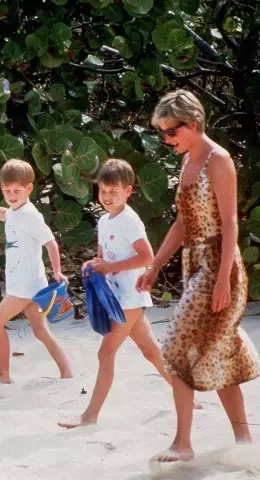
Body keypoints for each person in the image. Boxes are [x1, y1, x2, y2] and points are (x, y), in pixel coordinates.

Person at [137, 89, 260, 462]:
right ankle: (244, 444)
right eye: (162, 133)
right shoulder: (188, 160)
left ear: (192, 124)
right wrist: (155, 265)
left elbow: (229, 223)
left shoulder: (218, 160)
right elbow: (182, 222)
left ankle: (183, 443)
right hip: (195, 265)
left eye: (170, 131)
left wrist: (223, 278)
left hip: (218, 265)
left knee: (174, 351)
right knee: (221, 353)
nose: (166, 139)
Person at [58, 158, 199, 429]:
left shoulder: (130, 220)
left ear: (128, 192)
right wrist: (93, 264)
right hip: (116, 296)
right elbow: (103, 256)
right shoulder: (104, 220)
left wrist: (111, 266)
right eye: (103, 191)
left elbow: (147, 256)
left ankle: (90, 416)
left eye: (114, 192)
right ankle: (187, 396)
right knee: (151, 351)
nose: (107, 197)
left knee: (105, 353)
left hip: (130, 296)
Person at [0, 159, 73, 384]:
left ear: (29, 189)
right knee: (40, 330)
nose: (11, 195)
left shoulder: (31, 216)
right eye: (7, 190)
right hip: (28, 283)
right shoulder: (17, 211)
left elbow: (51, 243)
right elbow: (7, 215)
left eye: (17, 190)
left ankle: (2, 374)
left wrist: (57, 271)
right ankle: (67, 371)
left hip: (25, 286)